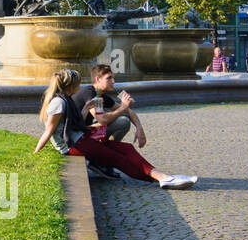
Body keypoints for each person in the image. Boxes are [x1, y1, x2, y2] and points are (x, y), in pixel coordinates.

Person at [35, 69, 196, 189]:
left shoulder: (67, 99)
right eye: (109, 78)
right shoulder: (59, 102)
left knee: (126, 148)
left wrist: (85, 109)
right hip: (74, 146)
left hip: (81, 139)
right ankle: (161, 179)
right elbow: (49, 131)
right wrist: (35, 153)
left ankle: (165, 177)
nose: (113, 81)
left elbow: (76, 124)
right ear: (72, 85)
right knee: (119, 159)